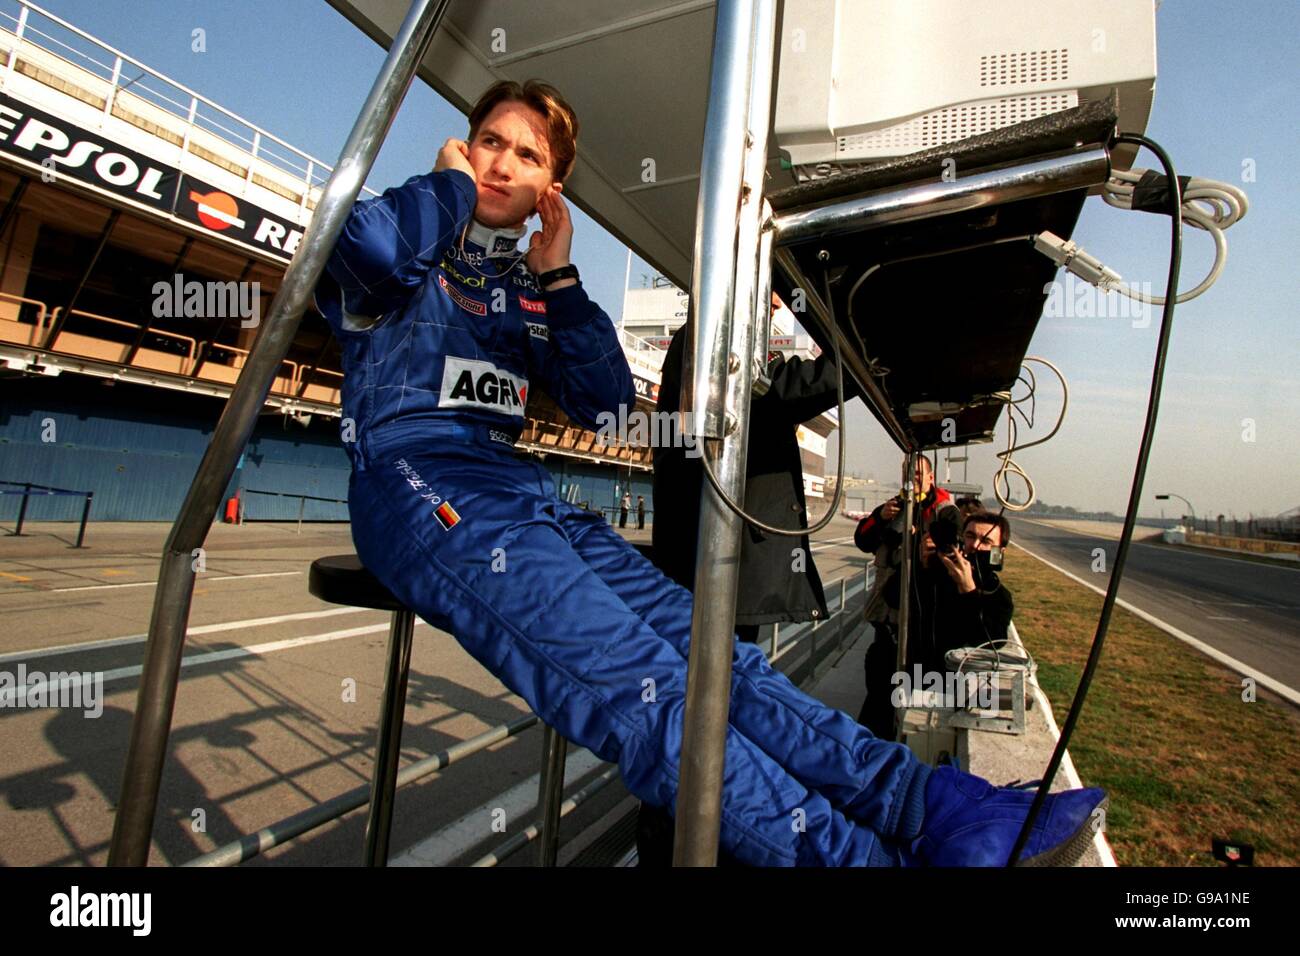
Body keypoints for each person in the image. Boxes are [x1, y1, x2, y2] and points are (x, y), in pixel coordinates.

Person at [316, 78, 1106, 867]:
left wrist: (559, 277)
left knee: (719, 664)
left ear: (547, 194)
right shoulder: (410, 250)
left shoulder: (528, 291)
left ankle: (930, 803)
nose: (501, 164)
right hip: (417, 486)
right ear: (462, 147)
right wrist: (448, 184)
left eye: (527, 156)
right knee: (644, 688)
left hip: (523, 497)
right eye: (489, 142)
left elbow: (607, 406)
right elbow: (361, 247)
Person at [638, 297, 860, 865]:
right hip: (715, 575)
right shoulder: (708, 340)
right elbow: (797, 387)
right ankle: (680, 845)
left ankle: (699, 838)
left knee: (718, 722)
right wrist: (856, 341)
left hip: (720, 574)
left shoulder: (712, 344)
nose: (774, 303)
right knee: (704, 725)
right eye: (766, 293)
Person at [854, 455, 954, 736]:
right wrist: (879, 517)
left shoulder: (943, 510)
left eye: (920, 474)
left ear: (932, 477)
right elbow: (862, 539)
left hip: (920, 623)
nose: (914, 479)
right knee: (878, 691)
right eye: (908, 474)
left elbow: (951, 548)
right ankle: (872, 744)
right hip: (886, 619)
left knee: (910, 696)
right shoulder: (894, 507)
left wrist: (921, 538)